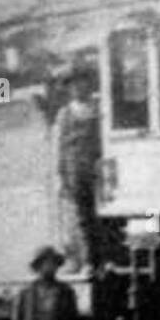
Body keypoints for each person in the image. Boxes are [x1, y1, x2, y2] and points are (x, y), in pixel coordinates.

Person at [55, 68, 101, 271]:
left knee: (99, 216)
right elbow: (61, 146)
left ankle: (100, 258)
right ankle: (86, 259)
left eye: (81, 82)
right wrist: (61, 175)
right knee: (82, 218)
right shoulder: (65, 113)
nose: (78, 88)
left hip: (98, 168)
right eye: (73, 85)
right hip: (76, 171)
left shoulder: (99, 107)